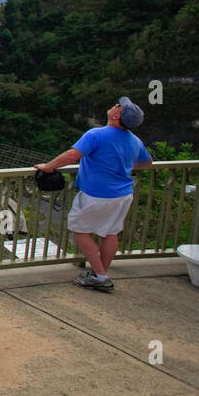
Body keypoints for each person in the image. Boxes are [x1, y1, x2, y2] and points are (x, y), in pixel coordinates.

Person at [35, 97, 152, 290]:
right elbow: (147, 163)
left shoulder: (97, 134)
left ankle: (100, 276)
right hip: (123, 194)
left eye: (118, 106)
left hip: (98, 194)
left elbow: (73, 155)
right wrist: (124, 166)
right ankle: (100, 272)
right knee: (111, 233)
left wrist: (48, 166)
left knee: (79, 229)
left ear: (117, 115)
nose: (114, 105)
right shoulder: (134, 140)